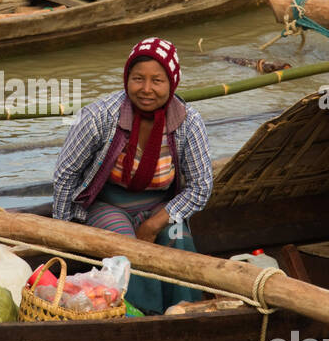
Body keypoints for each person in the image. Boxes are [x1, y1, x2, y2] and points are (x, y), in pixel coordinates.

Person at [52, 37, 213, 314]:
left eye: (157, 81)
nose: (146, 89)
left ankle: (185, 312)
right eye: (138, 79)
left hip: (160, 206)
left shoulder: (188, 122)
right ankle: (136, 317)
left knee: (178, 239)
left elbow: (201, 187)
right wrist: (63, 233)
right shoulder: (99, 115)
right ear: (127, 78)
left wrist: (153, 225)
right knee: (126, 251)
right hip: (108, 204)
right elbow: (66, 175)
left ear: (172, 83)